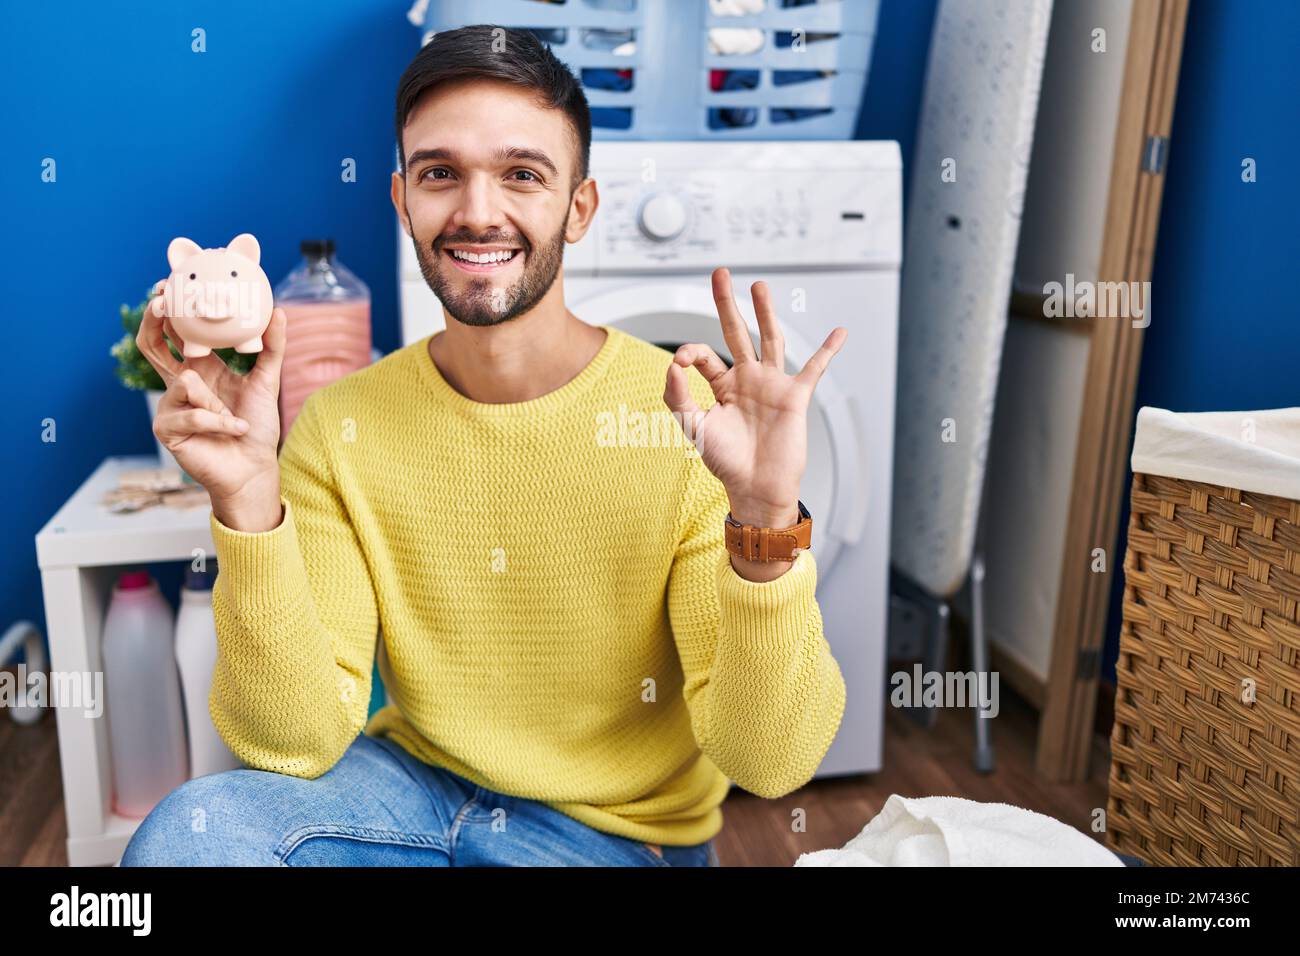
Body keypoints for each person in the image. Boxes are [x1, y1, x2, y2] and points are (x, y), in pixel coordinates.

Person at [120, 23, 847, 868]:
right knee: (187, 841)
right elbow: (296, 743)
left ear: (578, 207)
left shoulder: (684, 420)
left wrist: (763, 522)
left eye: (522, 175)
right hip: (409, 794)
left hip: (608, 834)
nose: (476, 211)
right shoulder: (336, 428)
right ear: (401, 201)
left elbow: (770, 762)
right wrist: (246, 502)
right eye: (440, 174)